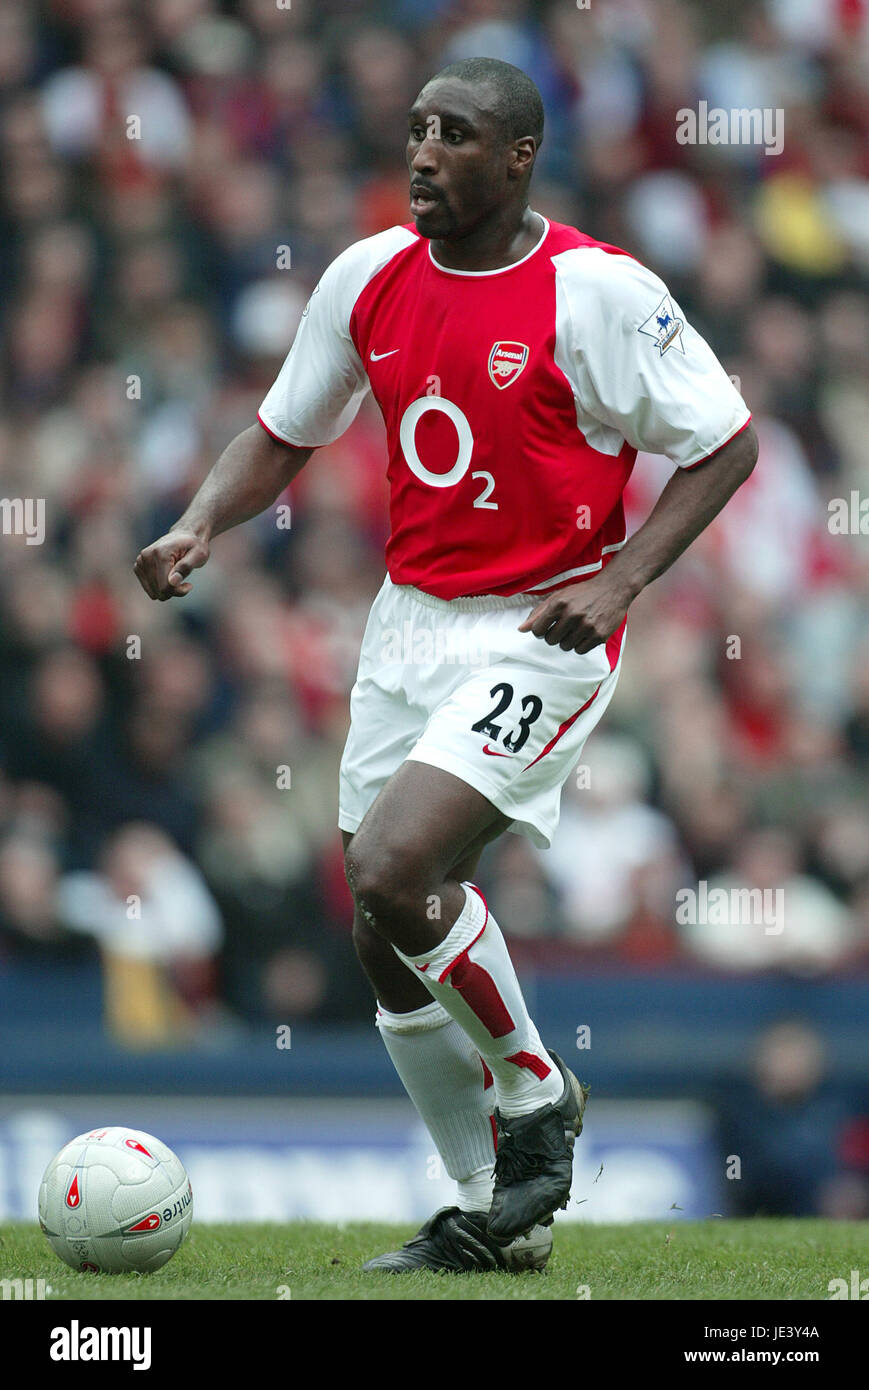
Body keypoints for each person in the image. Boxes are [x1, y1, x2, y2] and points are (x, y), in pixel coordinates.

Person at [134, 57, 757, 1273]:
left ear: (518, 154)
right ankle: (486, 1210)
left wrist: (621, 578)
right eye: (416, 129)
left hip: (541, 626)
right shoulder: (366, 276)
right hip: (408, 619)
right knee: (379, 920)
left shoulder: (595, 292)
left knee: (394, 859)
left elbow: (724, 439)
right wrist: (200, 521)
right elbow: (282, 428)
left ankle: (536, 1098)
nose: (423, 152)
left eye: (455, 134)